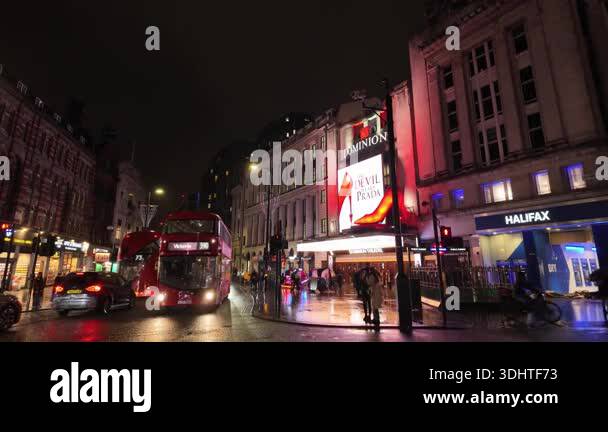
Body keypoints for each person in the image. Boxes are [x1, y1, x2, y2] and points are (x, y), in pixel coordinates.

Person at [364, 265, 383, 330]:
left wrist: (366, 277)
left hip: (375, 294)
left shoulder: (372, 276)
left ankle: (376, 319)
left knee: (375, 307)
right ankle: (376, 319)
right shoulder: (376, 276)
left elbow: (369, 283)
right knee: (375, 307)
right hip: (377, 293)